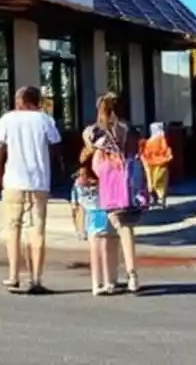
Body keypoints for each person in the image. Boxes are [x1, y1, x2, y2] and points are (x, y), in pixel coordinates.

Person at [0, 85, 63, 294]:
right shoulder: (44, 120)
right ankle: (36, 279)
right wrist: (59, 173)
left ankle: (13, 275)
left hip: (14, 181)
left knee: (13, 229)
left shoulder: (7, 120)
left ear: (20, 100)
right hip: (39, 182)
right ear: (37, 101)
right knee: (37, 230)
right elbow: (56, 147)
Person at [83, 92, 143, 293]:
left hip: (108, 181)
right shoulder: (129, 130)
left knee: (109, 230)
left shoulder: (96, 132)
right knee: (125, 229)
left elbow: (88, 146)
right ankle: (131, 274)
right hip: (127, 182)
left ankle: (108, 279)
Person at [71, 147, 118, 295]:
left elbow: (76, 206)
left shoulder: (78, 184)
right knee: (107, 249)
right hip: (105, 214)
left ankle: (96, 284)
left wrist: (78, 228)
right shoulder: (104, 180)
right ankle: (109, 281)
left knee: (94, 251)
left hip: (90, 217)